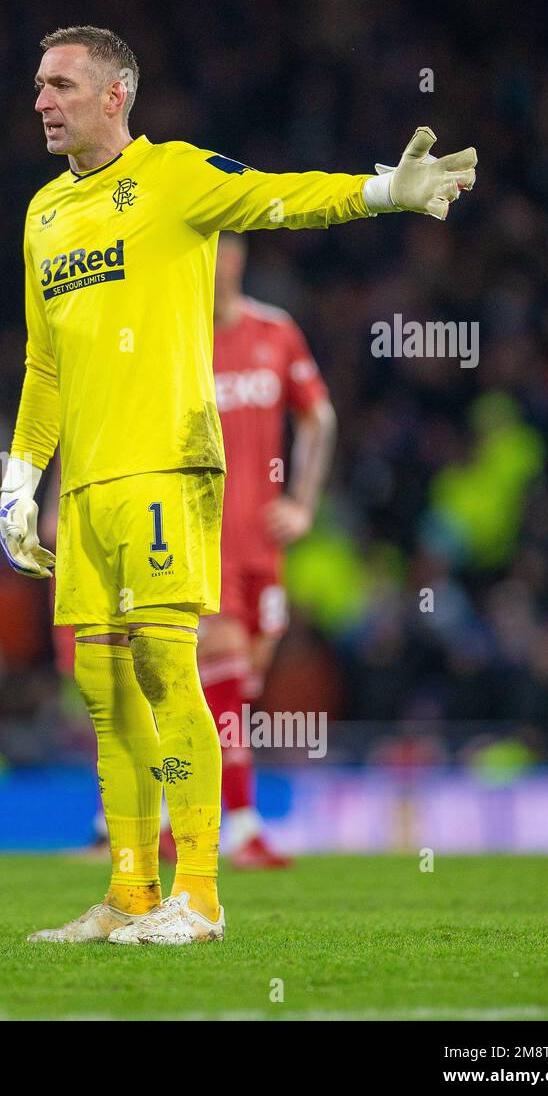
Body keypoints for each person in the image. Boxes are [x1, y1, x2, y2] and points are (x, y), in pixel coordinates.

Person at [0, 25, 475, 947]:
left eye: (60, 84)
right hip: (88, 481)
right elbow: (42, 364)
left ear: (116, 93)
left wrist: (385, 190)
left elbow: (279, 200)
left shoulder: (175, 175)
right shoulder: (41, 214)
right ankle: (130, 891)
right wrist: (21, 476)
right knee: (103, 685)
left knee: (166, 666)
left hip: (165, 463)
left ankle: (203, 895)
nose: (41, 102)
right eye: (37, 84)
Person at [203, 234, 336, 868]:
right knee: (224, 667)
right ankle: (243, 825)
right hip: (203, 537)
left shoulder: (276, 331)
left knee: (240, 684)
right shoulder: (175, 338)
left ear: (240, 261)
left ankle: (178, 815)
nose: (221, 265)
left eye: (229, 252)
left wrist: (304, 501)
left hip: (264, 542)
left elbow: (319, 417)